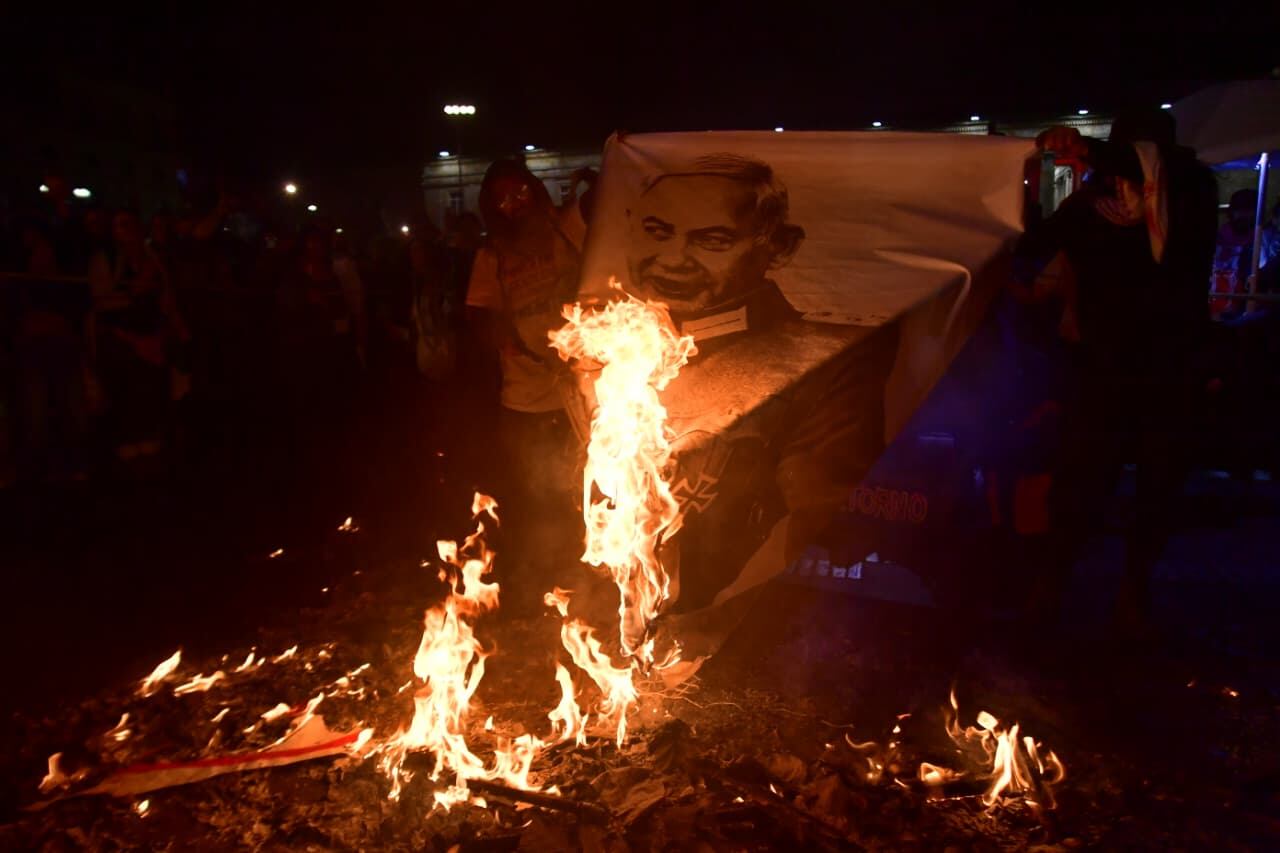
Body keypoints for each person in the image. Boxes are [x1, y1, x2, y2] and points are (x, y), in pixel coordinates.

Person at [1013, 108, 1218, 633]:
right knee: (1081, 480)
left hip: (1170, 369)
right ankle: (1052, 583)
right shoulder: (1089, 207)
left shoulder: (1189, 193)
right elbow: (1030, 246)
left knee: (1157, 487)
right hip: (1103, 370)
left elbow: (1164, 174)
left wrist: (1089, 148)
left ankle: (1133, 591)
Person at [465, 158, 594, 605]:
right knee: (532, 491)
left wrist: (610, 171)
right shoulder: (492, 254)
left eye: (520, 192)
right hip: (523, 398)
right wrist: (504, 338)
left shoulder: (565, 227)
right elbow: (479, 313)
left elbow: (600, 204)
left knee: (583, 486)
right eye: (502, 199)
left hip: (580, 392)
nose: (513, 204)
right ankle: (537, 578)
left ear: (535, 192)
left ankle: (585, 569)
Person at [88, 209, 189, 463]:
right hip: (120, 332)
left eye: (129, 224)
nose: (125, 231)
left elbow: (166, 296)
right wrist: (133, 293)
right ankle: (125, 437)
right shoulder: (106, 258)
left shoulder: (152, 257)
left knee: (150, 386)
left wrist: (178, 329)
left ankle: (150, 433)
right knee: (124, 386)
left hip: (151, 331)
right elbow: (101, 300)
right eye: (119, 225)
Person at [1209, 189, 1258, 319]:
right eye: (1240, 210)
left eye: (1249, 210)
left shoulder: (1260, 240)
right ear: (1231, 212)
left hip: (1244, 307)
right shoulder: (1218, 238)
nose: (1244, 215)